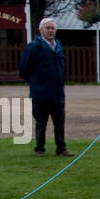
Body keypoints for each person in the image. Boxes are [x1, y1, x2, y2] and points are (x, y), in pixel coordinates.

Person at [18, 17, 72, 156]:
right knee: (41, 123)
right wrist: (35, 81)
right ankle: (39, 149)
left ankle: (61, 148)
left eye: (52, 28)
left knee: (59, 124)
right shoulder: (34, 46)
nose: (50, 31)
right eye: (47, 28)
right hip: (40, 93)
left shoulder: (58, 45)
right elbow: (23, 68)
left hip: (58, 93)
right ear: (41, 30)